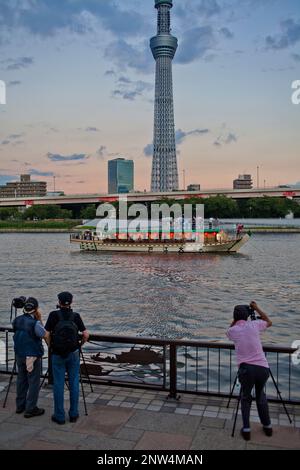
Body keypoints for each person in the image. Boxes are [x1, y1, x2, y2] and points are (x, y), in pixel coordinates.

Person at [227, 301, 273, 441]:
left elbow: (229, 331)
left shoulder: (232, 331)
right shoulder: (254, 325)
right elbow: (269, 322)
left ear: (235, 317)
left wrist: (236, 319)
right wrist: (257, 308)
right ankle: (268, 427)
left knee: (246, 398)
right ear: (247, 316)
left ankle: (246, 430)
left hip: (246, 369)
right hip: (263, 368)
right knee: (261, 396)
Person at [45, 292, 89, 425]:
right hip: (73, 353)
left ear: (59, 301)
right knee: (74, 382)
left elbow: (46, 334)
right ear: (71, 302)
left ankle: (59, 416)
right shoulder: (75, 316)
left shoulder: (53, 315)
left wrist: (50, 346)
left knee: (58, 384)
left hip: (57, 353)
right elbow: (86, 334)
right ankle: (74, 414)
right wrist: (79, 345)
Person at [12, 297, 46, 418]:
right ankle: (31, 408)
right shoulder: (35, 323)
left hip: (19, 354)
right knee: (33, 382)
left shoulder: (16, 320)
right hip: (32, 355)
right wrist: (39, 319)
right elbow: (43, 334)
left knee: (21, 380)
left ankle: (20, 406)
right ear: (35, 309)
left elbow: (16, 330)